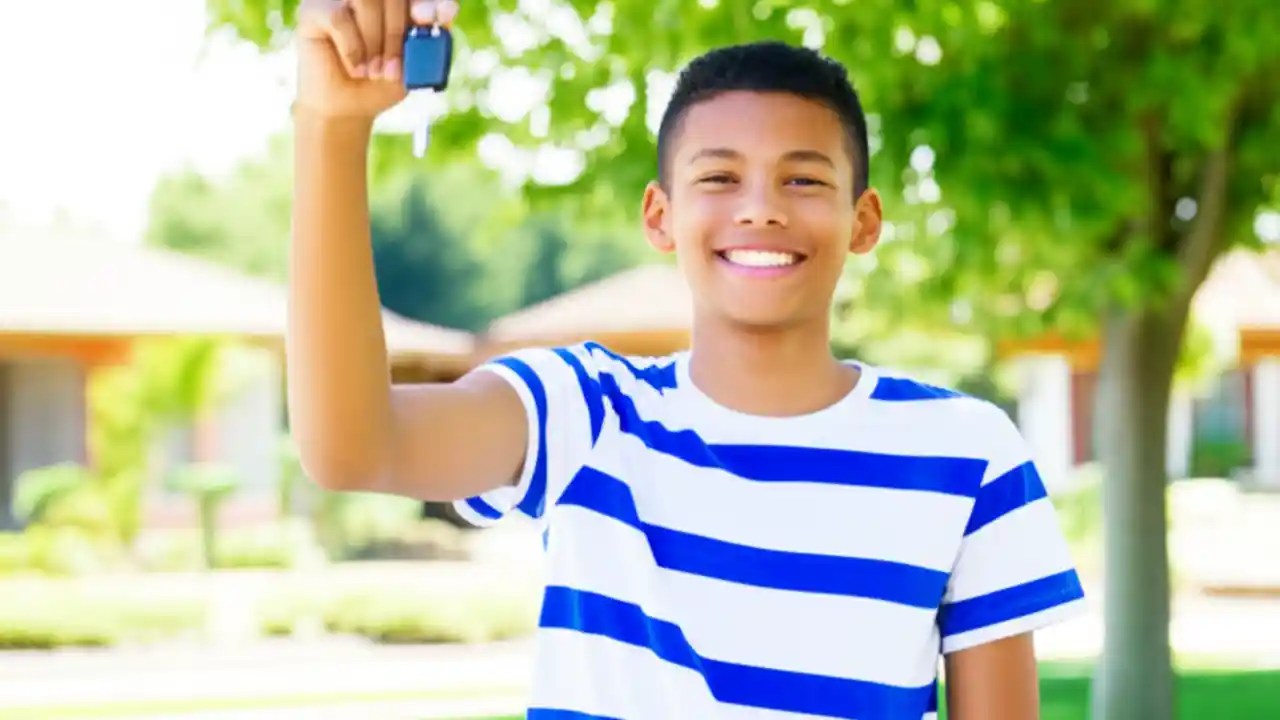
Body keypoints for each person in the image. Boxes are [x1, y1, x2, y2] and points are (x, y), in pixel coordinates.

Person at [288, 1, 1087, 717]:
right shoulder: (585, 411)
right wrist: (331, 124)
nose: (761, 207)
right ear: (660, 216)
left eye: (804, 178)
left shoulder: (966, 452)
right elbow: (353, 444)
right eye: (720, 176)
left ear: (864, 219)